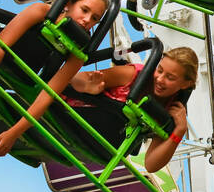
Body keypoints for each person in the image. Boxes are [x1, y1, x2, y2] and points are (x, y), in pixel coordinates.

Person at [0, 0, 109, 171]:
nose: (87, 20)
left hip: (24, 76)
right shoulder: (41, 11)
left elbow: (49, 94)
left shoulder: (79, 50)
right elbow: (0, 46)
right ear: (69, 3)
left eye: (94, 18)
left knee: (34, 101)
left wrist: (14, 134)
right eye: (84, 10)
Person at [54, 45, 198, 173]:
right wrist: (88, 86)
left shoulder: (169, 112)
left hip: (104, 146)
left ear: (186, 84)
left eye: (170, 77)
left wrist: (179, 132)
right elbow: (74, 79)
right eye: (159, 70)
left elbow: (151, 165)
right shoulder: (135, 74)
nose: (160, 79)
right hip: (68, 115)